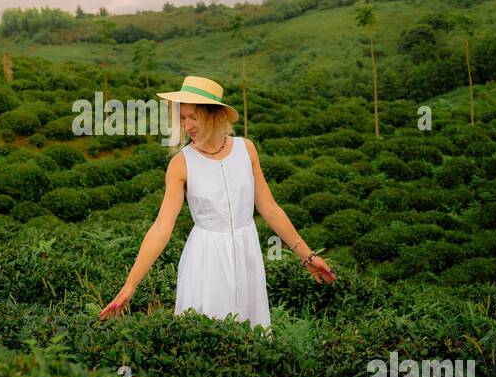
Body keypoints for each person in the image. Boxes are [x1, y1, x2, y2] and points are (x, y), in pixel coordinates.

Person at [99, 74, 336, 329]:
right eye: (182, 117)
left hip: (248, 255)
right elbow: (161, 227)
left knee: (251, 339)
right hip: (206, 259)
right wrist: (130, 285)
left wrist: (308, 256)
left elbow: (269, 208)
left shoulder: (247, 149)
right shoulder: (181, 164)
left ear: (214, 114)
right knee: (209, 335)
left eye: (193, 117)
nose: (187, 125)